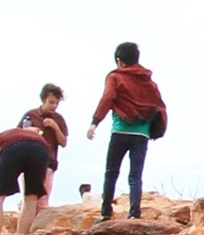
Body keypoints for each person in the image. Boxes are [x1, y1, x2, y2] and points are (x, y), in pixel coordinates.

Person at [87, 41, 167, 221]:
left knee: (111, 172)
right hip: (142, 134)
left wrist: (95, 122)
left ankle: (106, 212)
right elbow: (159, 106)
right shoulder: (149, 83)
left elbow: (108, 98)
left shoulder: (115, 77)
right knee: (135, 175)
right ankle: (134, 214)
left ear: (119, 61)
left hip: (120, 131)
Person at [0, 127, 51, 235]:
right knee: (31, 198)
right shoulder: (9, 137)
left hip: (13, 147)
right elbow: (50, 165)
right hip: (41, 148)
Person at [18, 84, 68, 208]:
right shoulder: (31, 115)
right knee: (29, 197)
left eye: (56, 103)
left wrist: (55, 127)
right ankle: (26, 224)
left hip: (48, 162)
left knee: (43, 198)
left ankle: (38, 225)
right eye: (51, 102)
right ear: (44, 99)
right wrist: (29, 130)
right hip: (29, 161)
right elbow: (17, 135)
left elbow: (63, 142)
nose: (54, 106)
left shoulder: (59, 119)